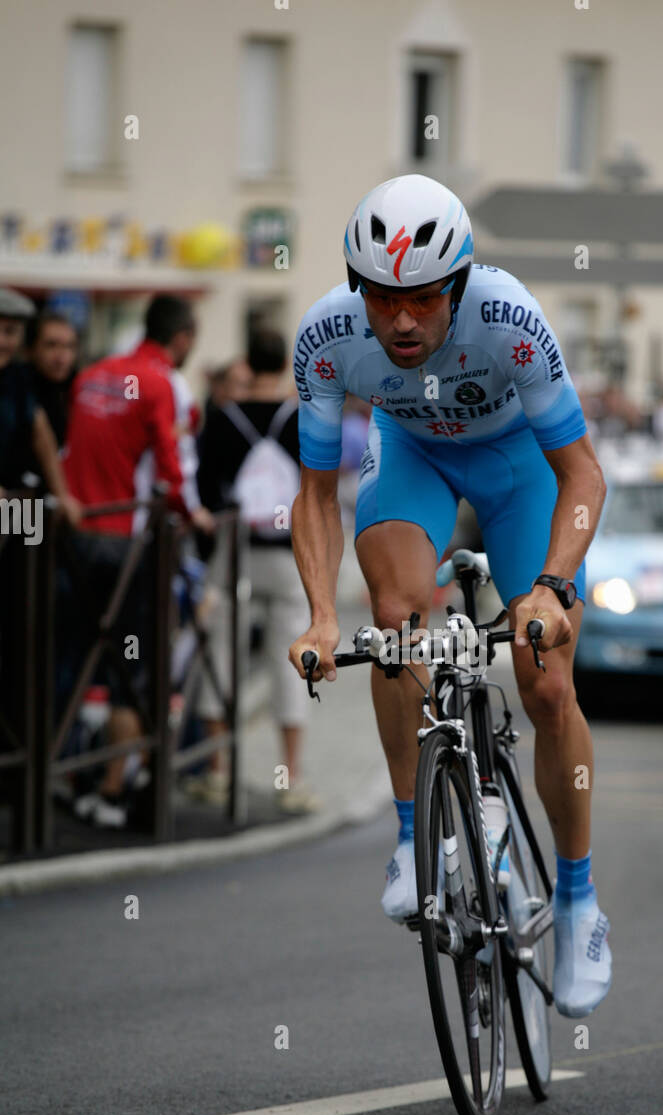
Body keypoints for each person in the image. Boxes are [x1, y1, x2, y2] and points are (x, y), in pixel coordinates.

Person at [288, 174, 611, 1019]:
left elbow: (582, 473)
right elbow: (317, 495)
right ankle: (411, 834)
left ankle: (578, 901)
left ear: (459, 285)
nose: (401, 321)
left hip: (520, 473)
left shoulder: (509, 318)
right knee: (393, 623)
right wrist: (323, 615)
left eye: (424, 300)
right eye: (384, 299)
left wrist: (549, 587)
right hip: (414, 459)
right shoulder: (326, 336)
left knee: (546, 678)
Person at [61, 294, 213, 827]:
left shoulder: (94, 372)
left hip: (76, 538)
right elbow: (175, 469)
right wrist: (194, 515)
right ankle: (111, 793)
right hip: (129, 543)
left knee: (79, 662)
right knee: (136, 666)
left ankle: (64, 778)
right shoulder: (164, 382)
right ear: (183, 338)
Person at [195, 329, 319, 815]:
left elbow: (205, 488)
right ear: (284, 362)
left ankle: (217, 773)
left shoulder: (224, 419)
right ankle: (289, 780)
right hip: (290, 554)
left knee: (220, 657)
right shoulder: (302, 418)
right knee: (291, 660)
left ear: (248, 362)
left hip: (236, 552)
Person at [0, 287, 80, 518]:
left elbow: (41, 434)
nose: (2, 341)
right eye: (51, 345)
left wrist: (62, 495)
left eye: (11, 332)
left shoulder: (16, 380)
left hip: (19, 507)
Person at [25, 309, 79, 452]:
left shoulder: (81, 389)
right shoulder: (16, 391)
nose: (61, 357)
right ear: (30, 350)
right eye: (51, 345)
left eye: (69, 346)